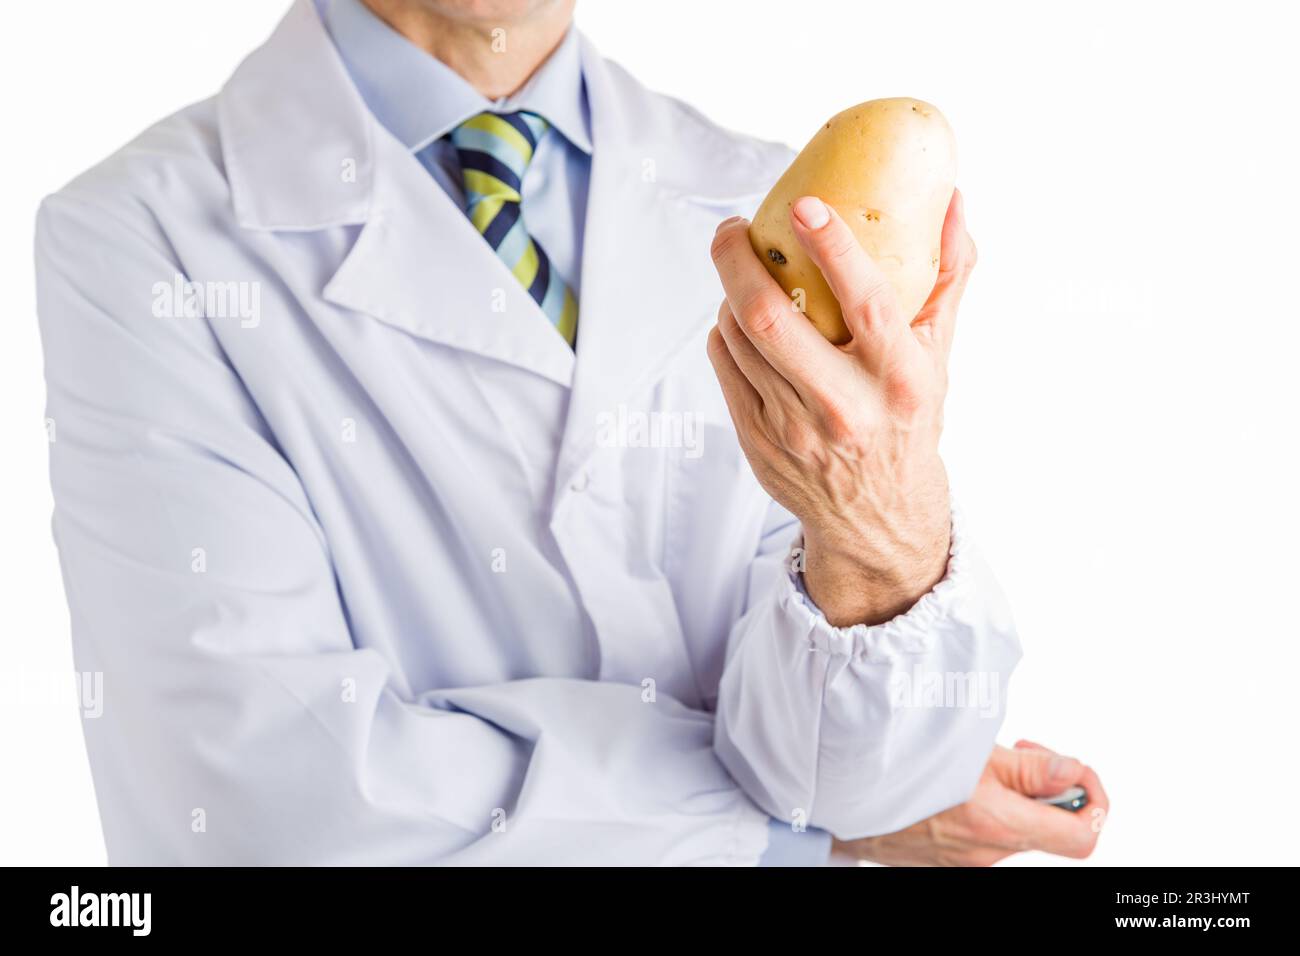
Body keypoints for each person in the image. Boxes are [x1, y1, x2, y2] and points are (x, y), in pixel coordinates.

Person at [34, 0, 1106, 865]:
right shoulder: (140, 239)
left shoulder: (758, 207)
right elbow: (263, 808)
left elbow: (862, 769)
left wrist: (888, 532)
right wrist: (790, 830)